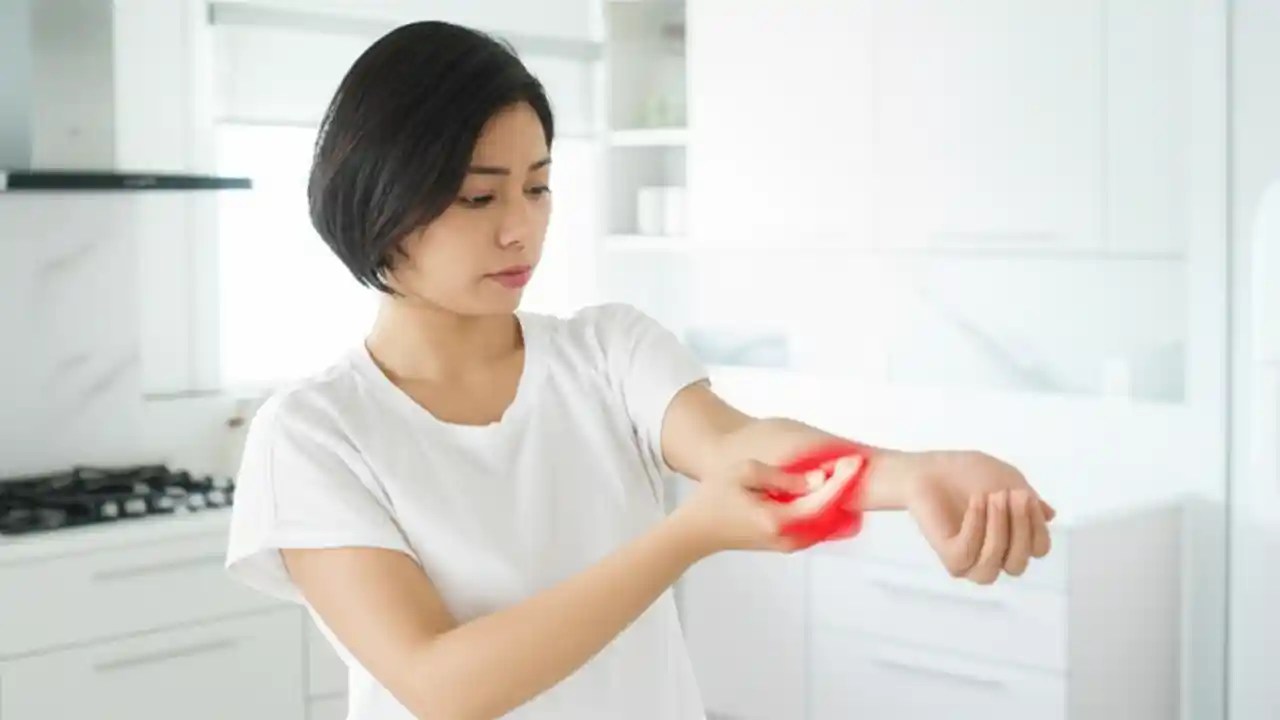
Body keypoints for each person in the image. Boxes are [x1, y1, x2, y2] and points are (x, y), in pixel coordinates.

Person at [225, 21, 1055, 720]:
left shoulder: (605, 350)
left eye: (538, 187)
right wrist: (684, 538)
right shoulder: (313, 435)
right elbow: (442, 685)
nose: (521, 229)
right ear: (378, 200)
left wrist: (916, 474)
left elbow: (738, 445)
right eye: (480, 197)